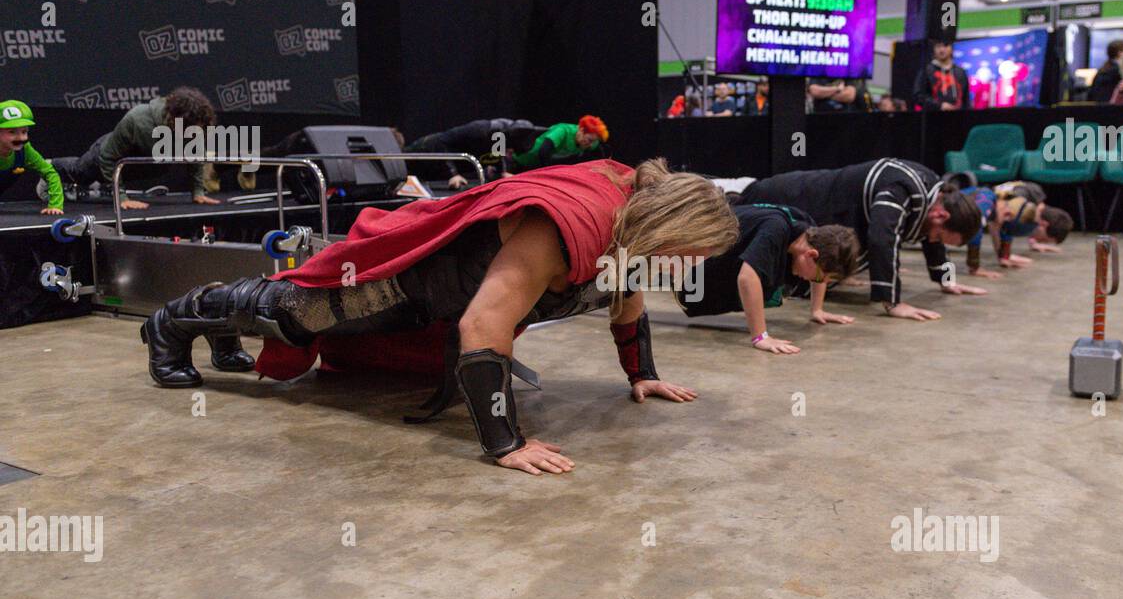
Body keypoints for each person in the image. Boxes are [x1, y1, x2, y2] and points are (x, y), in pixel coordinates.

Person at [140, 158, 739, 475]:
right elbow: (483, 328)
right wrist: (505, 443)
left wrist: (641, 373)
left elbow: (624, 294)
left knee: (287, 316)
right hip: (402, 279)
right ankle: (169, 324)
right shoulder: (563, 229)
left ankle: (216, 338)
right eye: (693, 252)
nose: (691, 266)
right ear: (669, 229)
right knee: (289, 313)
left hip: (438, 296)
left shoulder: (633, 233)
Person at [739, 158, 985, 321]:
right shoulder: (905, 188)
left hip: (821, 208)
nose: (934, 240)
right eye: (940, 235)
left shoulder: (932, 194)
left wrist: (947, 280)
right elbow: (882, 237)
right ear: (941, 215)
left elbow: (931, 240)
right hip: (790, 195)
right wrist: (893, 302)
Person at [675, 204, 859, 354]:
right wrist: (760, 337)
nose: (819, 283)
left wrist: (817, 309)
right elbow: (747, 277)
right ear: (811, 254)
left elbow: (822, 265)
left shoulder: (808, 229)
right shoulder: (776, 228)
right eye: (820, 278)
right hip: (689, 269)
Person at [55, 88, 220, 210]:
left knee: (92, 181)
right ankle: (50, 167)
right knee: (78, 172)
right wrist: (121, 198)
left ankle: (100, 186)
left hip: (134, 168)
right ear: (173, 120)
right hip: (105, 156)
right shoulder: (138, 119)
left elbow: (196, 156)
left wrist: (198, 191)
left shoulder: (194, 127)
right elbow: (108, 157)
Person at [404, 118, 541, 188]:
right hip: (423, 153)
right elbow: (442, 142)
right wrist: (453, 174)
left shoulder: (501, 135)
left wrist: (502, 172)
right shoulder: (479, 130)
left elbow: (496, 152)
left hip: (442, 164)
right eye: (510, 150)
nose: (509, 153)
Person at [0, 101, 65, 215]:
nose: (21, 138)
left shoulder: (25, 150)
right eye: (12, 132)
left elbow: (50, 173)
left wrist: (55, 204)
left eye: (24, 132)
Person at [510, 115, 608, 171]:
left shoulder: (591, 142)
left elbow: (600, 155)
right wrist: (547, 172)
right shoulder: (563, 130)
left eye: (594, 141)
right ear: (581, 130)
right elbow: (544, 151)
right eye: (590, 140)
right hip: (521, 159)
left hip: (535, 165)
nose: (590, 145)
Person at [912, 40, 969, 112]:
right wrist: (939, 105)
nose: (942, 50)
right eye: (938, 46)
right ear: (933, 49)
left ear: (951, 48)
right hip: (934, 117)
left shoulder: (961, 72)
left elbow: (966, 99)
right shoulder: (926, 71)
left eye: (945, 45)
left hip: (959, 118)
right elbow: (918, 96)